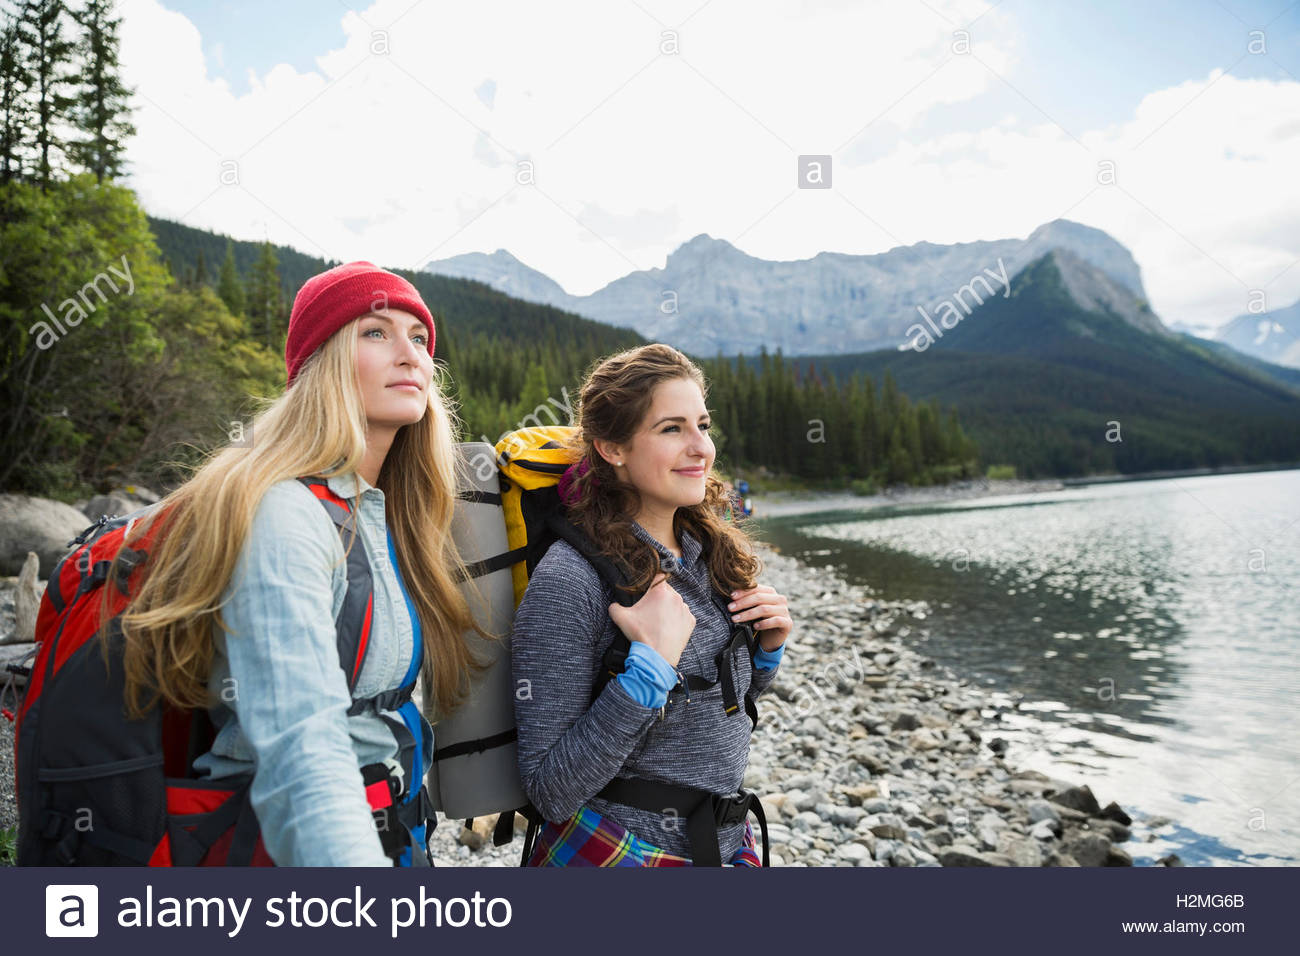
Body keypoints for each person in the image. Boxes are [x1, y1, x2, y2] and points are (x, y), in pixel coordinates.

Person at [110, 261, 486, 865]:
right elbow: (300, 748)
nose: (410, 354)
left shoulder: (385, 512)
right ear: (322, 362)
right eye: (374, 332)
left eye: (418, 338)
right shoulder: (286, 513)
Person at [511, 343, 793, 866]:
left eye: (703, 426)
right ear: (613, 448)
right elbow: (549, 791)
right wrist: (648, 672)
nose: (701, 449)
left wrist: (766, 652)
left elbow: (716, 706)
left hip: (725, 848)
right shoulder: (570, 580)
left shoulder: (708, 554)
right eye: (671, 429)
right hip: (623, 857)